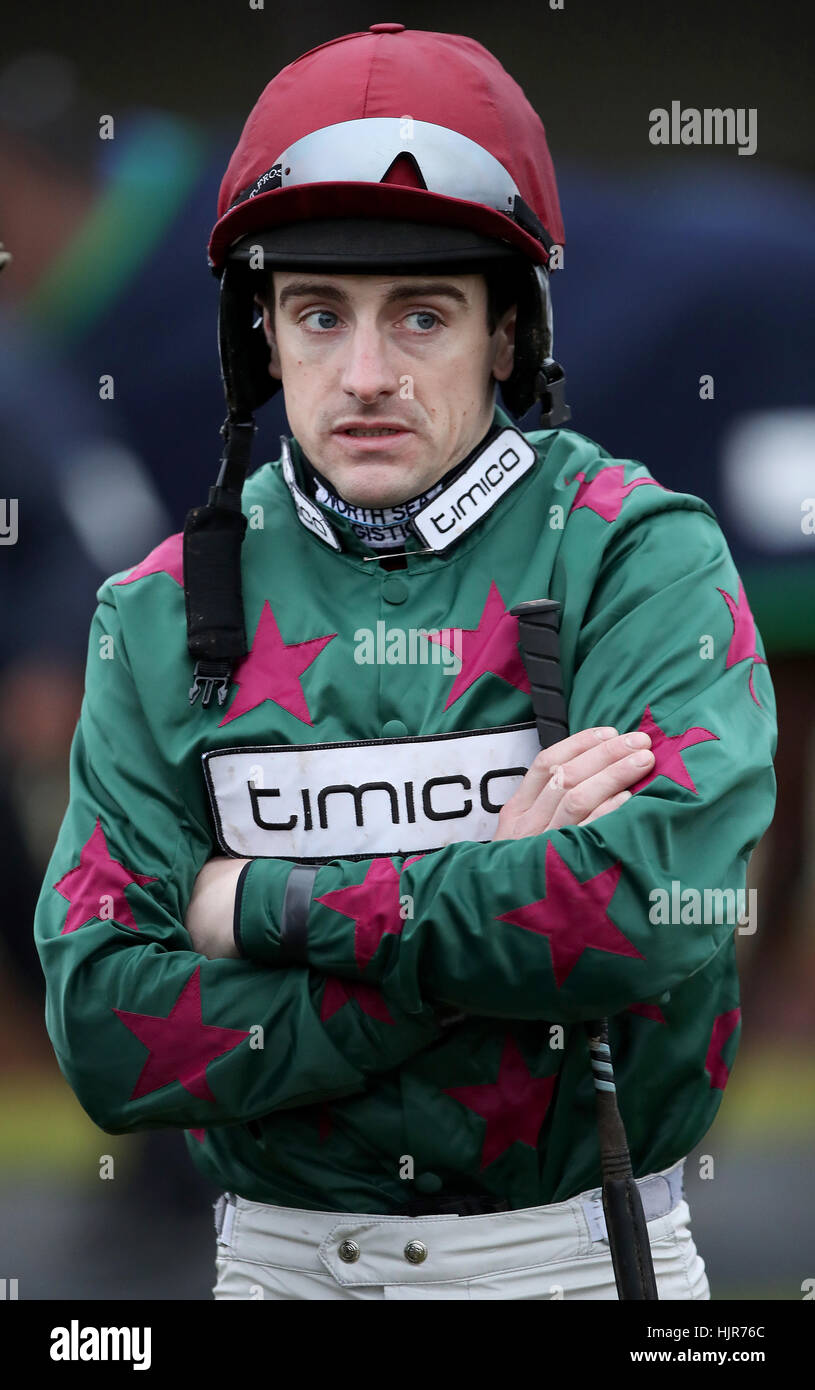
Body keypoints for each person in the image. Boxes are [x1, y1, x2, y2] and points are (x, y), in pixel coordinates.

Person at [34, 24, 777, 1301]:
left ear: (504, 334)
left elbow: (648, 911)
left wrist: (252, 909)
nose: (364, 376)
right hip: (270, 1266)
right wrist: (496, 910)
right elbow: (107, 1034)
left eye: (420, 315)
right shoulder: (154, 611)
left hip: (576, 1261)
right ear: (262, 336)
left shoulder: (641, 558)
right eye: (319, 315)